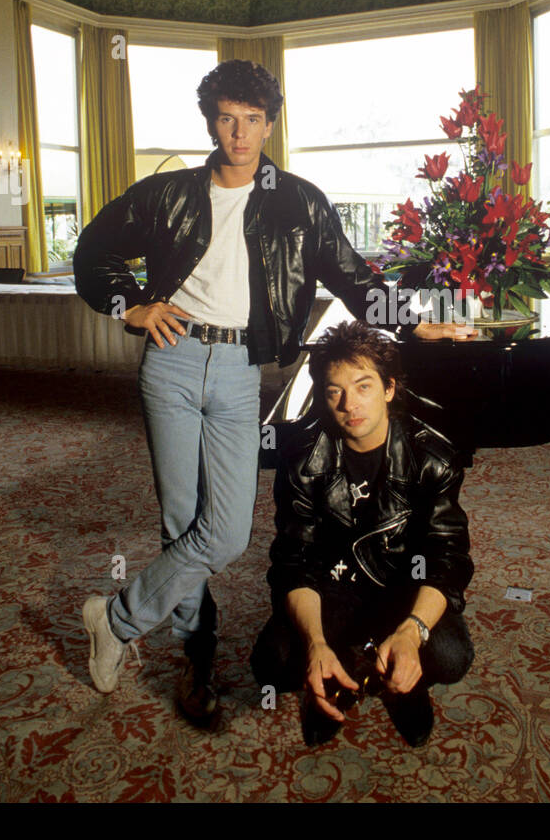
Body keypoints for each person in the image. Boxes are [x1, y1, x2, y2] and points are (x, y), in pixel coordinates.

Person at [73, 59, 471, 727]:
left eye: (252, 120)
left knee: (222, 532)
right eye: (227, 118)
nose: (239, 133)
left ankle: (114, 618)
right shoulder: (167, 193)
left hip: (237, 368)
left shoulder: (299, 201)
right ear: (211, 120)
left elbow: (352, 276)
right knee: (181, 525)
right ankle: (197, 659)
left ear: (268, 123)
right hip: (170, 359)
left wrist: (418, 321)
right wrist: (130, 304)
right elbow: (93, 249)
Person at [251, 319, 475, 748]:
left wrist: (411, 632)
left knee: (450, 657)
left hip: (402, 583)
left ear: (389, 388)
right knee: (274, 662)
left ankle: (406, 685)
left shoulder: (434, 457)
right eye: (335, 390)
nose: (349, 403)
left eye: (364, 386)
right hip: (332, 587)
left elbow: (448, 560)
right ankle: (336, 681)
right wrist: (316, 644)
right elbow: (293, 563)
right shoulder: (300, 459)